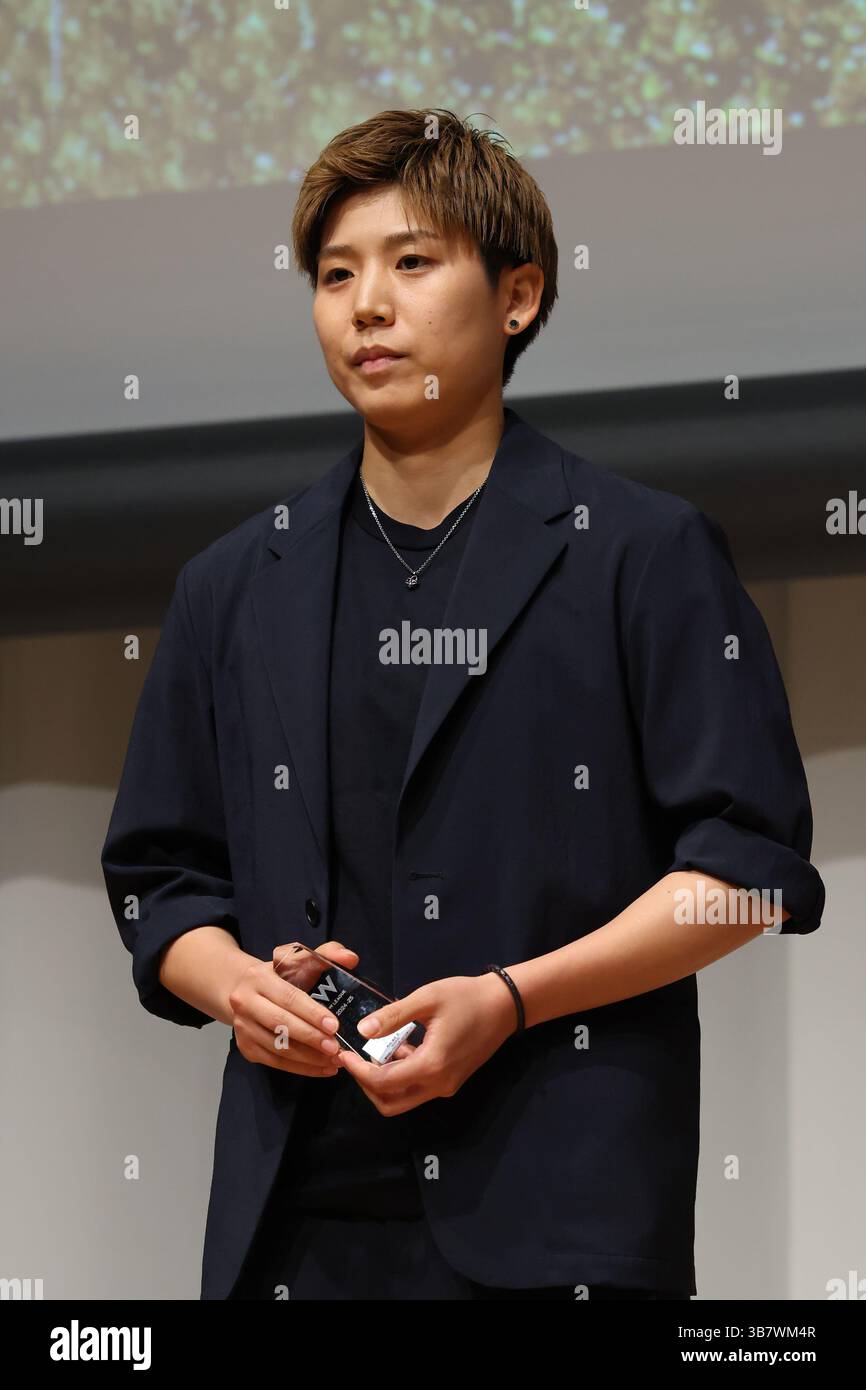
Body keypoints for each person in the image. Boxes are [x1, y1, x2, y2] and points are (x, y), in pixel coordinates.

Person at [101, 108, 825, 1301]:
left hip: (559, 1223)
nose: (365, 306)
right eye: (335, 276)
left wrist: (511, 997)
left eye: (410, 262)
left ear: (518, 297)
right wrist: (238, 984)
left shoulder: (640, 553)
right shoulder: (234, 582)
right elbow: (160, 875)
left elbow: (750, 870)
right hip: (294, 1224)